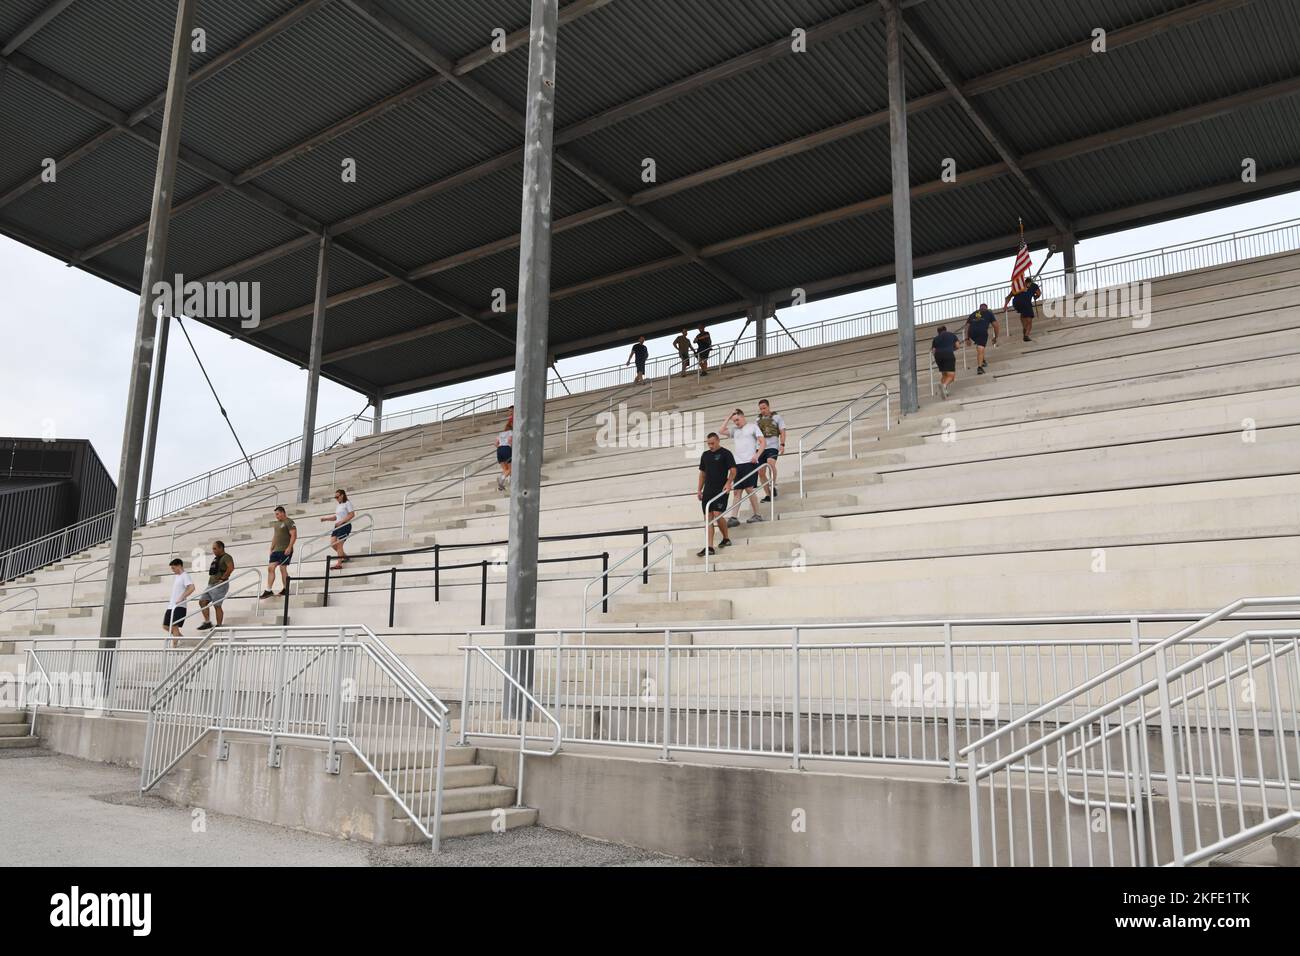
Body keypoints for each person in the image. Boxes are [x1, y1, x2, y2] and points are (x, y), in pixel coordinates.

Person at [718, 408, 766, 526]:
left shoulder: (753, 427)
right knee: (737, 491)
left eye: (737, 419)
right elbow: (721, 430)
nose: (736, 422)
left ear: (743, 417)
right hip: (738, 463)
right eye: (734, 421)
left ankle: (757, 514)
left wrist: (757, 454)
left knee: (749, 488)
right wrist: (729, 416)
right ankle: (734, 517)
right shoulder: (735, 430)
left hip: (750, 462)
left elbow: (763, 442)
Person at [696, 432, 736, 557]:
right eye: (708, 444)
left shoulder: (726, 453)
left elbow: (733, 470)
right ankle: (709, 547)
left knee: (717, 515)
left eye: (712, 443)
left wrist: (729, 483)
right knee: (708, 518)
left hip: (721, 489)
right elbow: (702, 473)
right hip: (708, 490)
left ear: (718, 441)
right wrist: (699, 489)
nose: (711, 446)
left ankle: (726, 538)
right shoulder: (705, 455)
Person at [196, 540, 234, 631]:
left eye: (215, 548)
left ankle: (219, 625)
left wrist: (223, 579)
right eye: (213, 549)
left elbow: (231, 568)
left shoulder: (226, 557)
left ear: (221, 548)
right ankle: (207, 622)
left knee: (217, 605)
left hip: (219, 585)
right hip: (211, 584)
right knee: (202, 602)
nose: (213, 551)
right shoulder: (217, 558)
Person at [261, 505, 297, 598]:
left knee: (282, 568)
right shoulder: (276, 524)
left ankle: (286, 588)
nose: (276, 516)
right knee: (270, 568)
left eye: (277, 514)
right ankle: (268, 590)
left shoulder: (289, 522)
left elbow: (293, 535)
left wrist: (289, 547)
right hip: (276, 550)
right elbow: (275, 536)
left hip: (285, 550)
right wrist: (271, 548)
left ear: (282, 513)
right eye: (275, 514)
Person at [755, 399, 786, 502]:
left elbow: (782, 431)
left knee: (770, 463)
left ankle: (772, 484)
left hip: (772, 446)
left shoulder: (777, 417)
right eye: (761, 409)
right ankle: (768, 494)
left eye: (764, 408)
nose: (762, 410)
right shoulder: (757, 420)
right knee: (761, 472)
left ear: (768, 407)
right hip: (761, 448)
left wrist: (782, 444)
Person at [322, 489, 356, 571]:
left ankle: (339, 563)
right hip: (337, 526)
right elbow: (335, 517)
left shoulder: (347, 503)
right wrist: (326, 519)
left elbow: (352, 514)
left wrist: (342, 521)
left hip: (345, 525)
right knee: (333, 544)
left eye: (337, 497)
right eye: (335, 497)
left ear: (342, 495)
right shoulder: (339, 505)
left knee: (339, 544)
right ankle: (344, 557)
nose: (336, 499)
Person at [163, 558, 195, 646]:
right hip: (171, 605)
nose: (173, 570)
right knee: (165, 626)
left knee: (174, 626)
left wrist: (182, 597)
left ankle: (174, 647)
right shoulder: (177, 576)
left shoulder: (185, 575)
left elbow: (192, 588)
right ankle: (181, 638)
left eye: (173, 568)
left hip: (180, 606)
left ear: (179, 566)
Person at [964, 304, 999, 375]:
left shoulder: (974, 313)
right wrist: (995, 337)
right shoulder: (989, 313)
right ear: (986, 308)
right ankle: (979, 367)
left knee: (979, 346)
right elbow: (995, 325)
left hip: (972, 332)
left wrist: (967, 338)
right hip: (982, 332)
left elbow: (967, 326)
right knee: (980, 348)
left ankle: (982, 360)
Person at [931, 325, 959, 398]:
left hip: (938, 356)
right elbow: (957, 345)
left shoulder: (936, 338)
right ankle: (944, 385)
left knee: (944, 375)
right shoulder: (951, 335)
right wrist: (951, 350)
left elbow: (933, 350)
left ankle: (944, 391)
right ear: (945, 330)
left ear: (938, 332)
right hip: (948, 354)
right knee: (951, 376)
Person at [495, 412, 513, 492]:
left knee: (505, 469)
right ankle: (501, 478)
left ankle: (501, 486)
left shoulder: (500, 433)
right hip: (506, 449)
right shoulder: (511, 432)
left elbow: (495, 444)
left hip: (499, 450)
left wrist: (500, 447)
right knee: (511, 468)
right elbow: (510, 441)